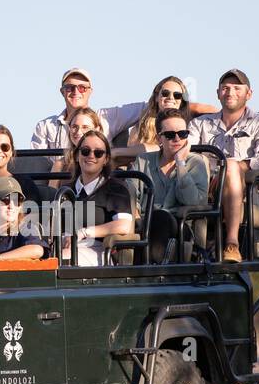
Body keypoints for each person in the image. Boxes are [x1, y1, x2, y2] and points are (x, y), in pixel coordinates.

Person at [188, 68, 259, 262]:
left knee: (230, 166)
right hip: (206, 187)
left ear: (249, 94)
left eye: (237, 88)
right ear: (218, 93)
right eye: (225, 88)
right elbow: (186, 154)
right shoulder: (200, 124)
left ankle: (232, 243)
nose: (230, 92)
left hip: (249, 190)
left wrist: (237, 167)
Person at [130, 109, 209, 261]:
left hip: (180, 226)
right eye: (170, 135)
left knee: (161, 217)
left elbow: (193, 202)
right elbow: (130, 192)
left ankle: (153, 272)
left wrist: (180, 163)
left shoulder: (196, 162)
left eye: (183, 134)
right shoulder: (142, 161)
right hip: (144, 224)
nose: (177, 138)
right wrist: (136, 214)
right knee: (148, 223)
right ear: (160, 138)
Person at [63, 129, 133, 266]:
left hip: (100, 251)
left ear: (106, 159)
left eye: (98, 153)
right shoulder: (65, 191)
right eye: (85, 151)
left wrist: (84, 232)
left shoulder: (116, 189)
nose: (91, 156)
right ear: (77, 155)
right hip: (62, 248)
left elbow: (124, 226)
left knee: (63, 257)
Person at [30, 68, 145, 151]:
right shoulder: (45, 126)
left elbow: (148, 106)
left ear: (90, 91)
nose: (76, 92)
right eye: (70, 87)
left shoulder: (106, 116)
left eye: (82, 88)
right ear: (62, 91)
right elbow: (39, 163)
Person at [114, 75, 221, 159]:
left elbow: (217, 112)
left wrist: (116, 151)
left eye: (177, 95)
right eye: (165, 93)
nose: (171, 98)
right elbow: (132, 157)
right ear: (156, 97)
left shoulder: (190, 124)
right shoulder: (141, 126)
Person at [0, 176, 51, 260]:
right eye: (6, 200)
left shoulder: (24, 228)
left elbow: (37, 250)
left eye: (17, 200)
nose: (11, 206)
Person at [48, 106, 101, 176]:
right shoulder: (60, 165)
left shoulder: (107, 161)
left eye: (85, 127)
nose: (78, 132)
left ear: (97, 130)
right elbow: (52, 187)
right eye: (74, 127)